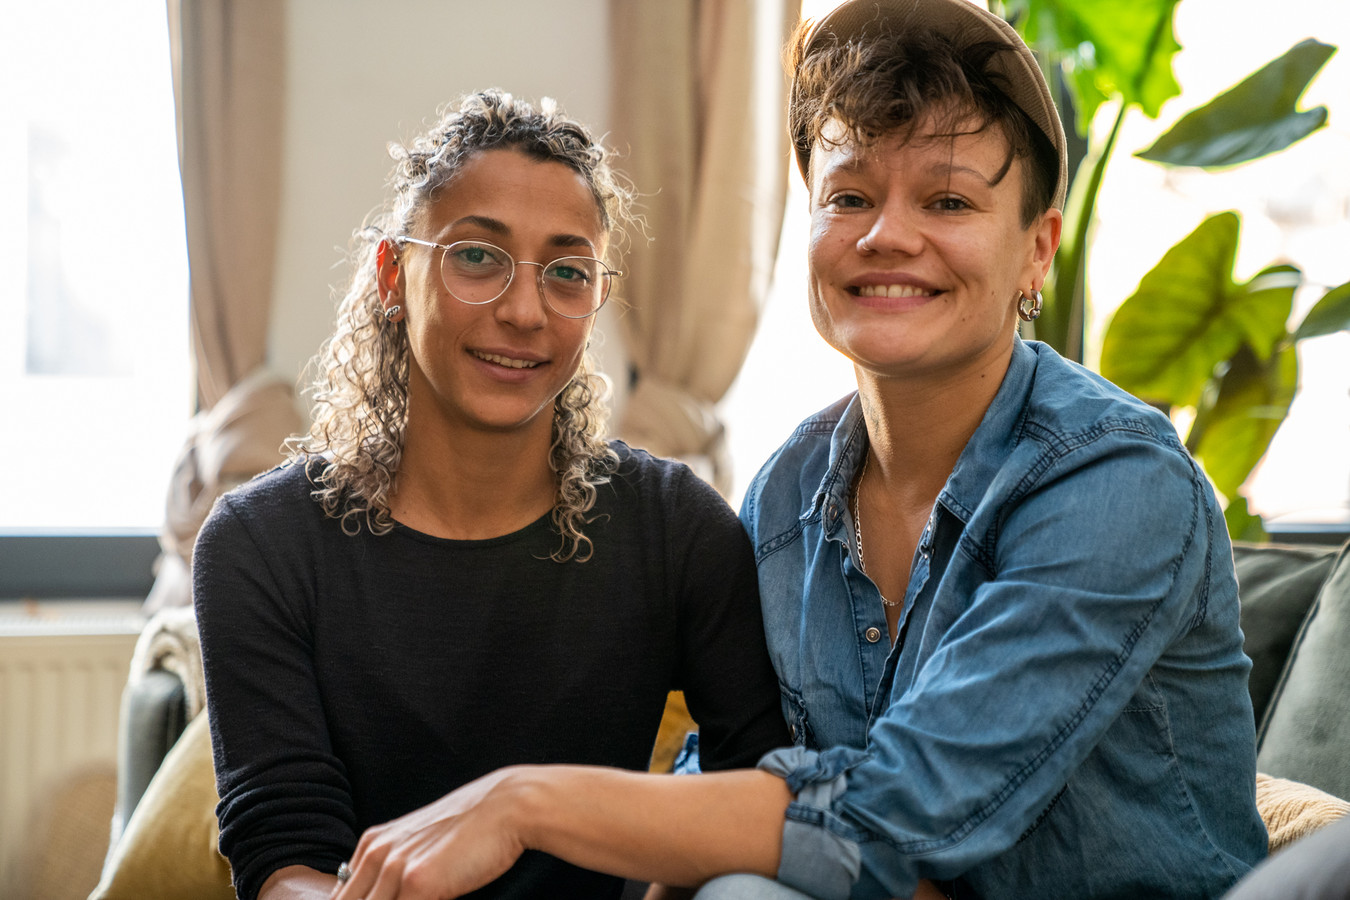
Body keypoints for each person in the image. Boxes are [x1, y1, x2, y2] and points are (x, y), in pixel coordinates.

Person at [330, 2, 1268, 898]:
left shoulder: (1120, 479)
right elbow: (731, 770)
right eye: (849, 195)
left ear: (1037, 252)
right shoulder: (787, 495)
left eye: (947, 200)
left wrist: (524, 801)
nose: (887, 235)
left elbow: (901, 812)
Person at [191, 89, 789, 900]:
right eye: (477, 256)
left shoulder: (675, 528)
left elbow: (760, 795)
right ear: (393, 276)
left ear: (596, 300)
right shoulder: (261, 544)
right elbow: (282, 860)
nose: (523, 311)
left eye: (567, 272)